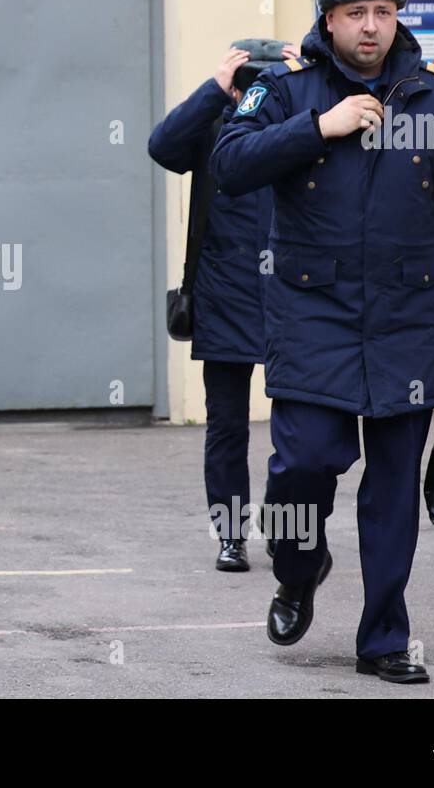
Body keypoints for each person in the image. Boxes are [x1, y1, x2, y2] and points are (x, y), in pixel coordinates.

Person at [212, 0, 434, 684]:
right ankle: (297, 570)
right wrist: (321, 127)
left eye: (383, 11)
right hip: (312, 315)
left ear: (397, 14)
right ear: (328, 18)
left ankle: (384, 637)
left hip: (405, 318)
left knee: (394, 487)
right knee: (302, 465)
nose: (371, 26)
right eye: (355, 13)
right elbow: (230, 166)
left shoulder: (433, 98)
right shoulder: (286, 89)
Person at [148, 39, 295, 572]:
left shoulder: (297, 120)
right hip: (225, 294)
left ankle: (287, 532)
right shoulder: (217, 124)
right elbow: (163, 148)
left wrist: (304, 79)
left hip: (292, 294)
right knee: (228, 426)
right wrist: (214, 90)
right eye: (249, 74)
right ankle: (230, 535)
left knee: (295, 429)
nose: (258, 83)